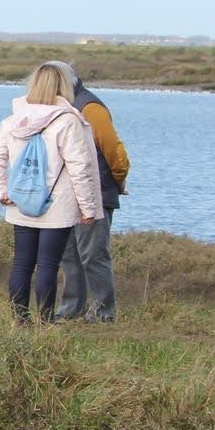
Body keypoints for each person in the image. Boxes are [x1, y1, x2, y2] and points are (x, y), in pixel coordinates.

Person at [0, 62, 102, 323]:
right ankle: (46, 321)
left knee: (21, 264)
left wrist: (0, 190)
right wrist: (88, 207)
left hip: (20, 201)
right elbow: (79, 168)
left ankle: (20, 320)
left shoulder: (14, 119)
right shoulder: (68, 121)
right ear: (64, 85)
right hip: (57, 205)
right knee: (48, 264)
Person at [48, 61, 130, 323]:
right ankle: (71, 309)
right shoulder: (62, 106)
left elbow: (114, 151)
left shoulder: (89, 107)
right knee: (69, 255)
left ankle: (103, 312)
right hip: (66, 194)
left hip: (95, 193)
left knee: (93, 254)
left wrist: (116, 182)